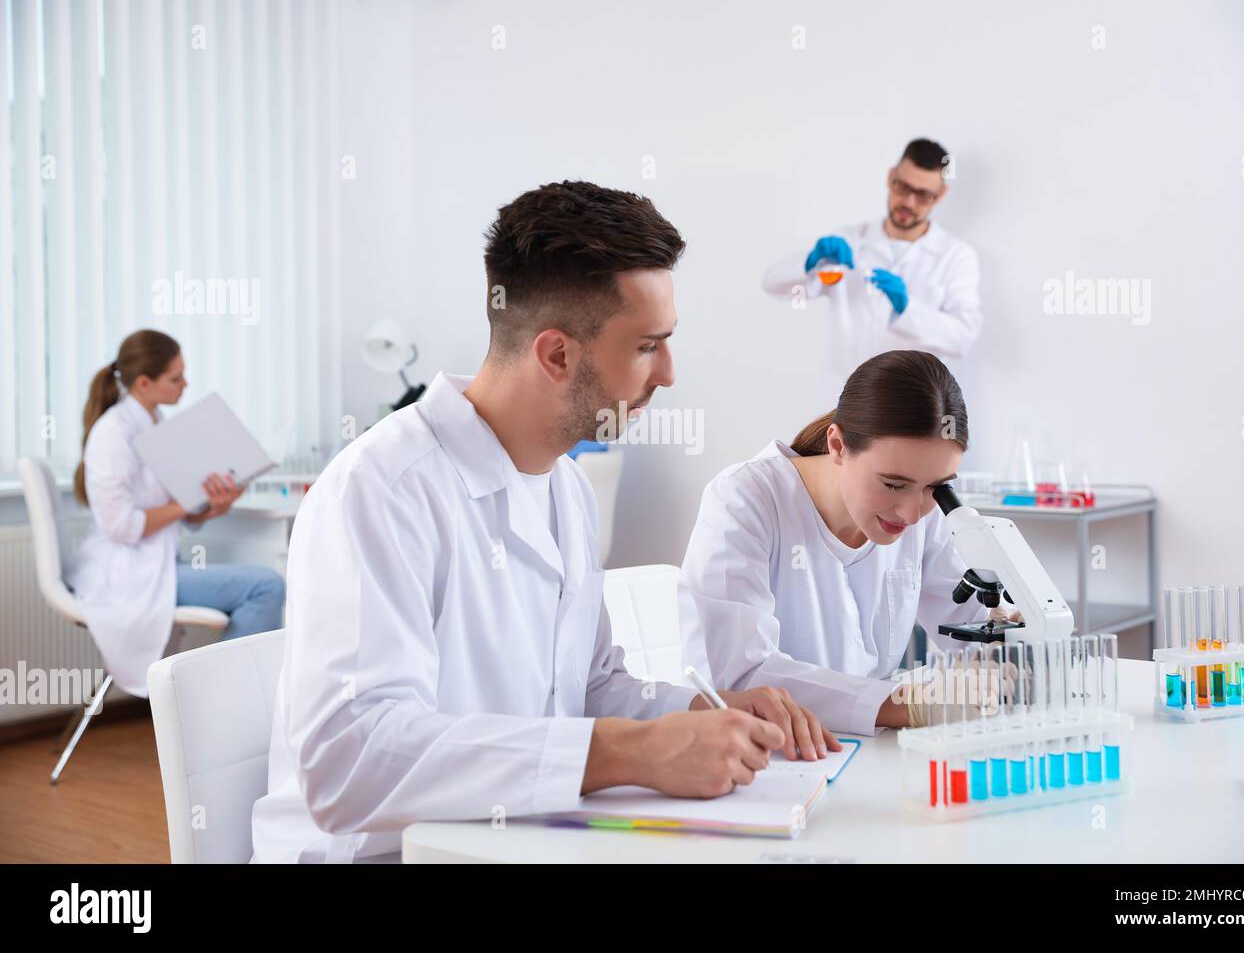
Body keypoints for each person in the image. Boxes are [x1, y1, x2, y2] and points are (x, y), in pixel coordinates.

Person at [251, 181, 838, 864]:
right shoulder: (380, 491)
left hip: (515, 840)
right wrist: (629, 751)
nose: (670, 374)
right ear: (557, 354)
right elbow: (349, 764)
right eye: (649, 346)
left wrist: (705, 711)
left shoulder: (565, 486)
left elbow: (587, 687)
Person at [678, 350, 1015, 736]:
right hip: (758, 754)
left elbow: (970, 626)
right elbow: (742, 675)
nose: (910, 512)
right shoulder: (744, 499)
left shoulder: (926, 511)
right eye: (892, 484)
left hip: (866, 751)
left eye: (936, 488)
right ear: (837, 446)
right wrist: (910, 704)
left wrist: (1006, 651)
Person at [71, 329, 285, 697]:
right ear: (143, 382)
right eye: (175, 378)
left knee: (263, 585)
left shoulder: (157, 426)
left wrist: (214, 505)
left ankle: (233, 703)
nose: (185, 384)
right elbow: (120, 526)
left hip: (161, 563)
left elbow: (180, 513)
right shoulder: (113, 435)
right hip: (130, 574)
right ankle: (233, 704)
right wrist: (187, 504)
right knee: (265, 587)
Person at [762, 139, 982, 404]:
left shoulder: (956, 256)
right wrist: (810, 261)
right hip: (843, 400)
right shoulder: (849, 240)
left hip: (912, 404)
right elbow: (773, 285)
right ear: (891, 177)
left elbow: (962, 339)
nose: (909, 203)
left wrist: (907, 308)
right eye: (903, 187)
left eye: (923, 195)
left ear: (941, 195)